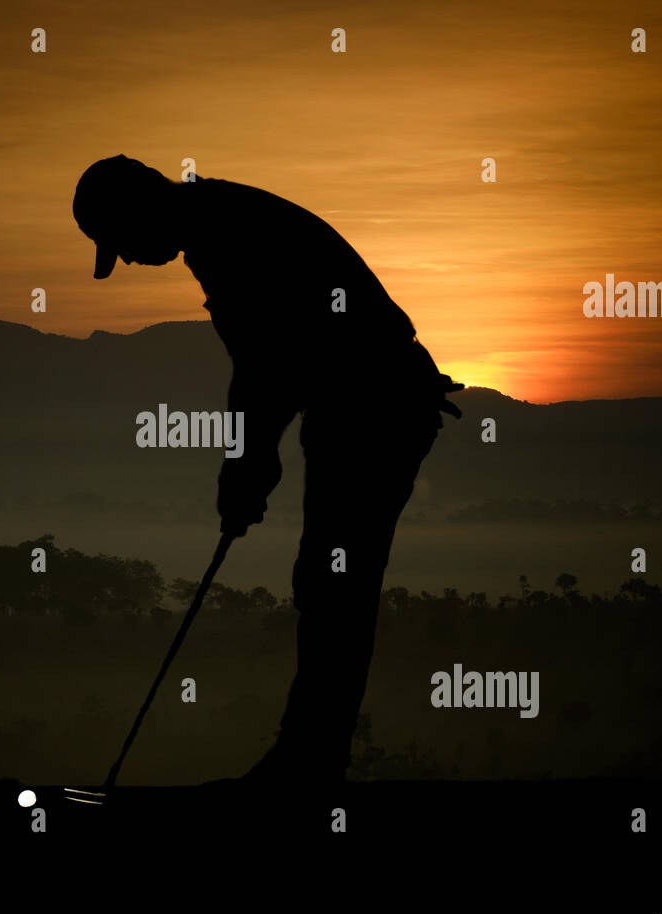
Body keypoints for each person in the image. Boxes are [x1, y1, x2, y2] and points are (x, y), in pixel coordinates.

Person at [73, 155, 462, 784]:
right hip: (357, 404)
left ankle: (310, 764)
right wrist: (250, 460)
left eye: (124, 242)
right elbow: (271, 364)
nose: (133, 259)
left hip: (376, 405)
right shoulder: (217, 222)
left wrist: (246, 465)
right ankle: (310, 757)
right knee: (330, 581)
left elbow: (265, 367)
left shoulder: (226, 234)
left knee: (334, 581)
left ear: (141, 207)